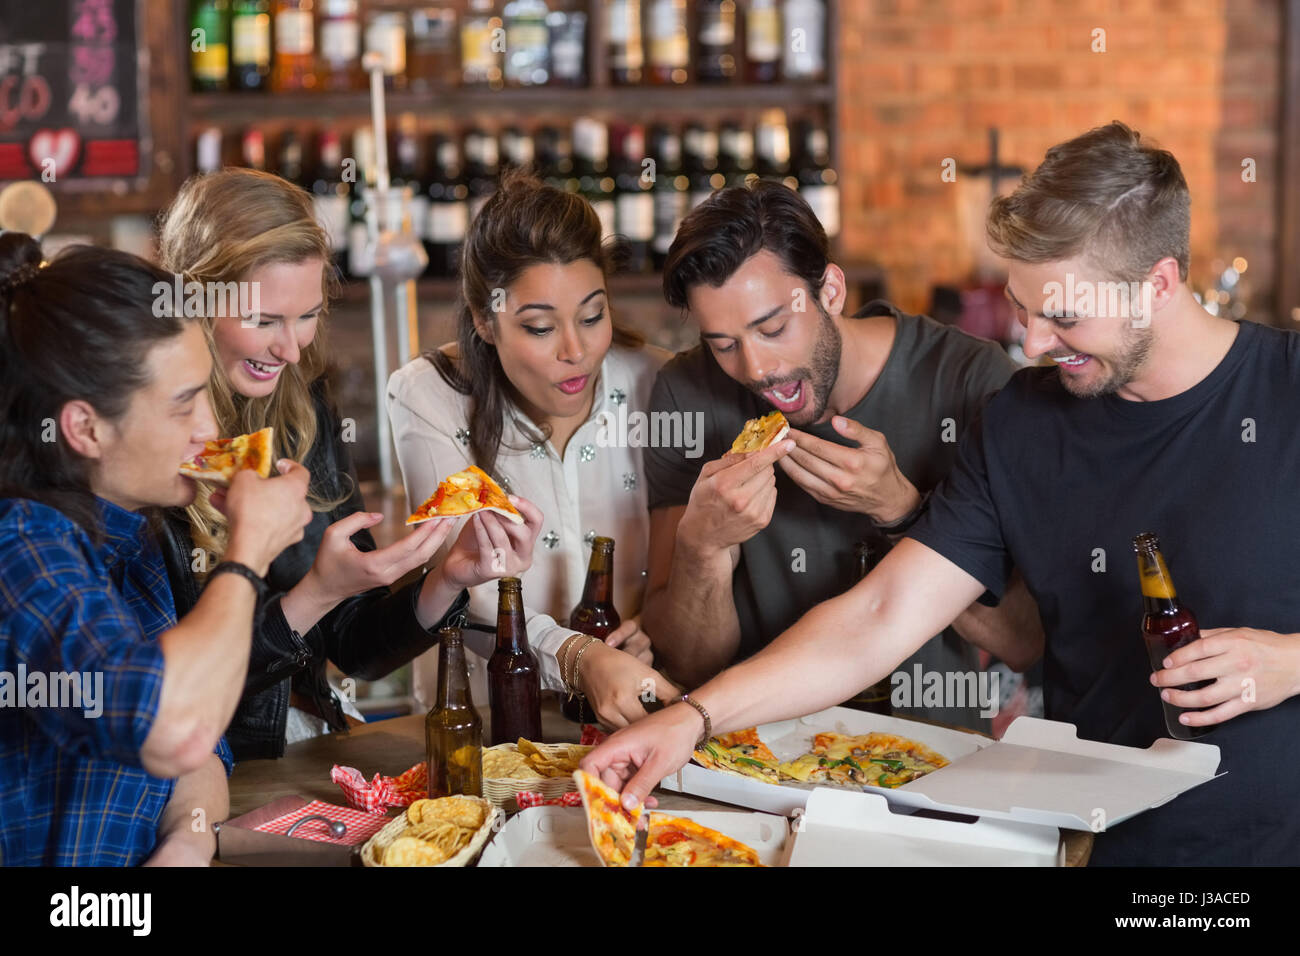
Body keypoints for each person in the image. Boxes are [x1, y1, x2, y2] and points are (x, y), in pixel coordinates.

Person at [582, 122, 1300, 866]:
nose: (1034, 344)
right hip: (1094, 848)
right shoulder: (1022, 421)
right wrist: (693, 719)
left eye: (1063, 316)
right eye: (1022, 310)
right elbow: (879, 615)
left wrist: (1293, 662)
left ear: (1158, 284)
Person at [155, 168, 541, 760]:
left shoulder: (303, 410)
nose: (291, 349)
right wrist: (314, 594)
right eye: (263, 321)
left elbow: (355, 647)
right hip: (207, 765)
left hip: (312, 735)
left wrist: (447, 578)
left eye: (307, 315)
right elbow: (170, 695)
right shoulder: (146, 442)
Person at [640, 181, 1042, 731]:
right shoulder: (686, 393)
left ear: (830, 290)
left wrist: (902, 511)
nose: (756, 369)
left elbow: (1023, 641)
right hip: (749, 752)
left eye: (773, 328)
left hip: (932, 757)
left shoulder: (972, 381)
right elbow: (688, 666)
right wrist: (701, 546)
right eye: (723, 345)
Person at [0, 232, 312, 865]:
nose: (210, 429)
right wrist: (246, 555)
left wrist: (187, 843)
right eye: (183, 404)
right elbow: (172, 728)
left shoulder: (132, 532)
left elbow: (201, 752)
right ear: (85, 428)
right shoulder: (22, 547)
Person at [388, 172, 679, 727]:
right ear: (485, 320)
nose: (577, 351)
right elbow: (459, 584)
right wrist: (578, 657)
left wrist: (655, 627)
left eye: (592, 317)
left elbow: (685, 558)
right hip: (485, 723)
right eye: (541, 328)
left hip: (633, 717)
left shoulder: (656, 383)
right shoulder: (429, 395)